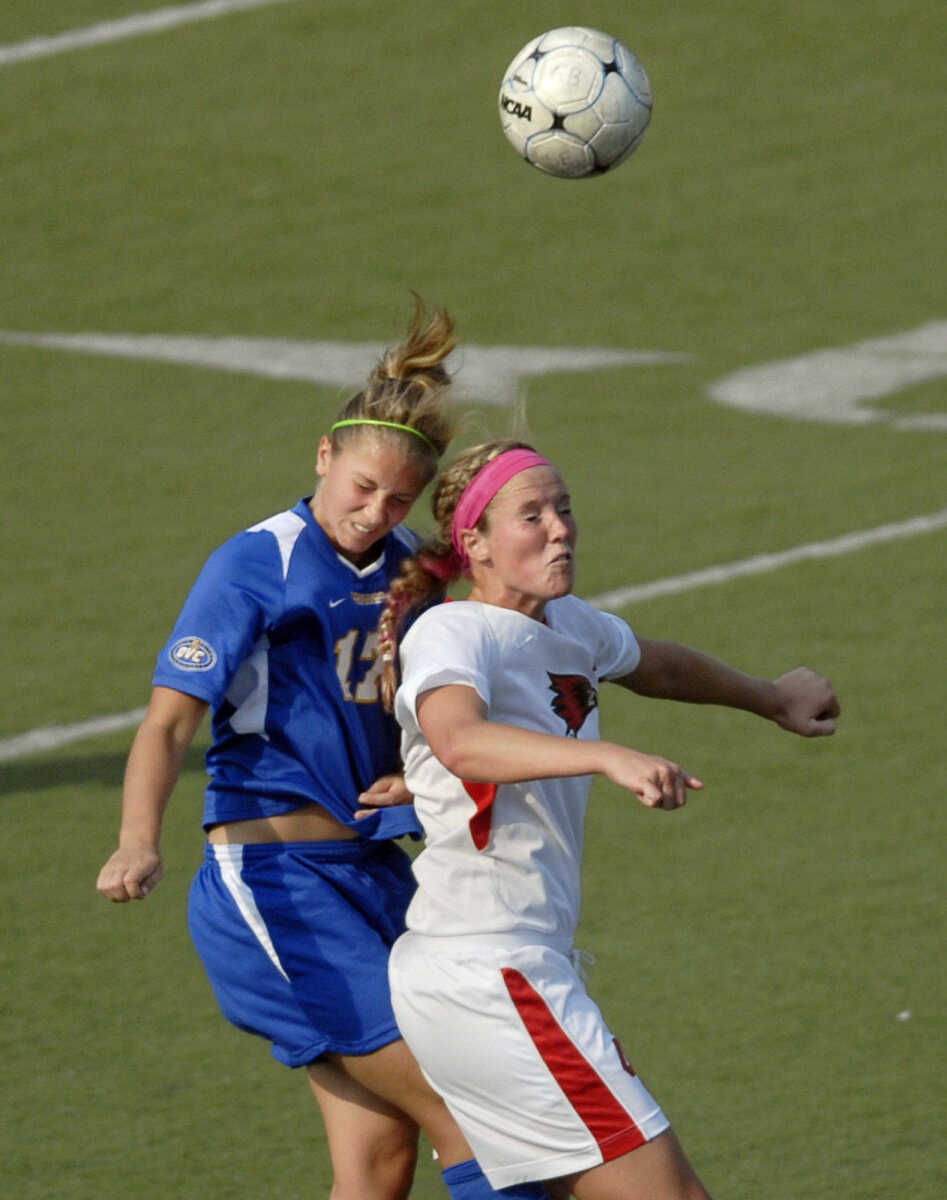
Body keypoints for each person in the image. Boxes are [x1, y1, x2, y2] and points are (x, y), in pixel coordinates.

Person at [96, 307, 549, 1200]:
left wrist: (417, 788)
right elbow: (168, 722)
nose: (372, 512)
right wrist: (137, 839)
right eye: (359, 487)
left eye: (395, 500)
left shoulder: (411, 576)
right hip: (273, 883)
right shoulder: (255, 563)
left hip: (375, 875)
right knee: (472, 1114)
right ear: (321, 459)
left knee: (377, 1163)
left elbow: (441, 707)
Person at [375, 439, 842, 1200]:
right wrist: (607, 757)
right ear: (475, 544)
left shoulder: (568, 626)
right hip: (491, 974)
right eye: (532, 515)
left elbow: (654, 663)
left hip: (496, 969)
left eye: (562, 508)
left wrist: (768, 697)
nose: (559, 528)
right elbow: (457, 738)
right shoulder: (454, 633)